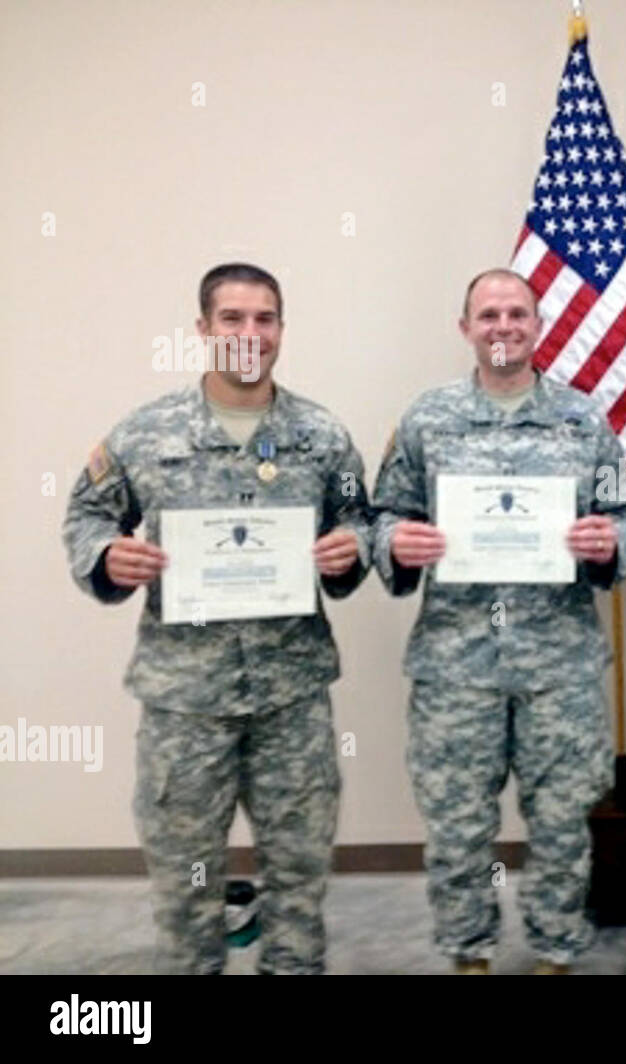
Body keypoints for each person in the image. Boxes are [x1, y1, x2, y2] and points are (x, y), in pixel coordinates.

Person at [63, 263, 370, 974]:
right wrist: (107, 555)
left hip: (291, 698)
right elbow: (86, 514)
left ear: (281, 331)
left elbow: (360, 521)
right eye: (232, 319)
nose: (248, 334)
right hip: (184, 702)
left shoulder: (321, 436)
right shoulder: (146, 432)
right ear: (203, 329)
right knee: (184, 890)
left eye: (264, 319)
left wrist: (350, 549)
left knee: (299, 884)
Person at [371, 268, 626, 974]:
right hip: (456, 666)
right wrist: (397, 543)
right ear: (465, 328)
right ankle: (469, 956)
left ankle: (555, 953)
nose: (503, 326)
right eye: (488, 314)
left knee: (560, 825)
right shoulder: (427, 419)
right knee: (458, 827)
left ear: (537, 325)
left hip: (561, 665)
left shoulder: (583, 419)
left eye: (516, 314)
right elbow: (382, 513)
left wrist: (612, 541)